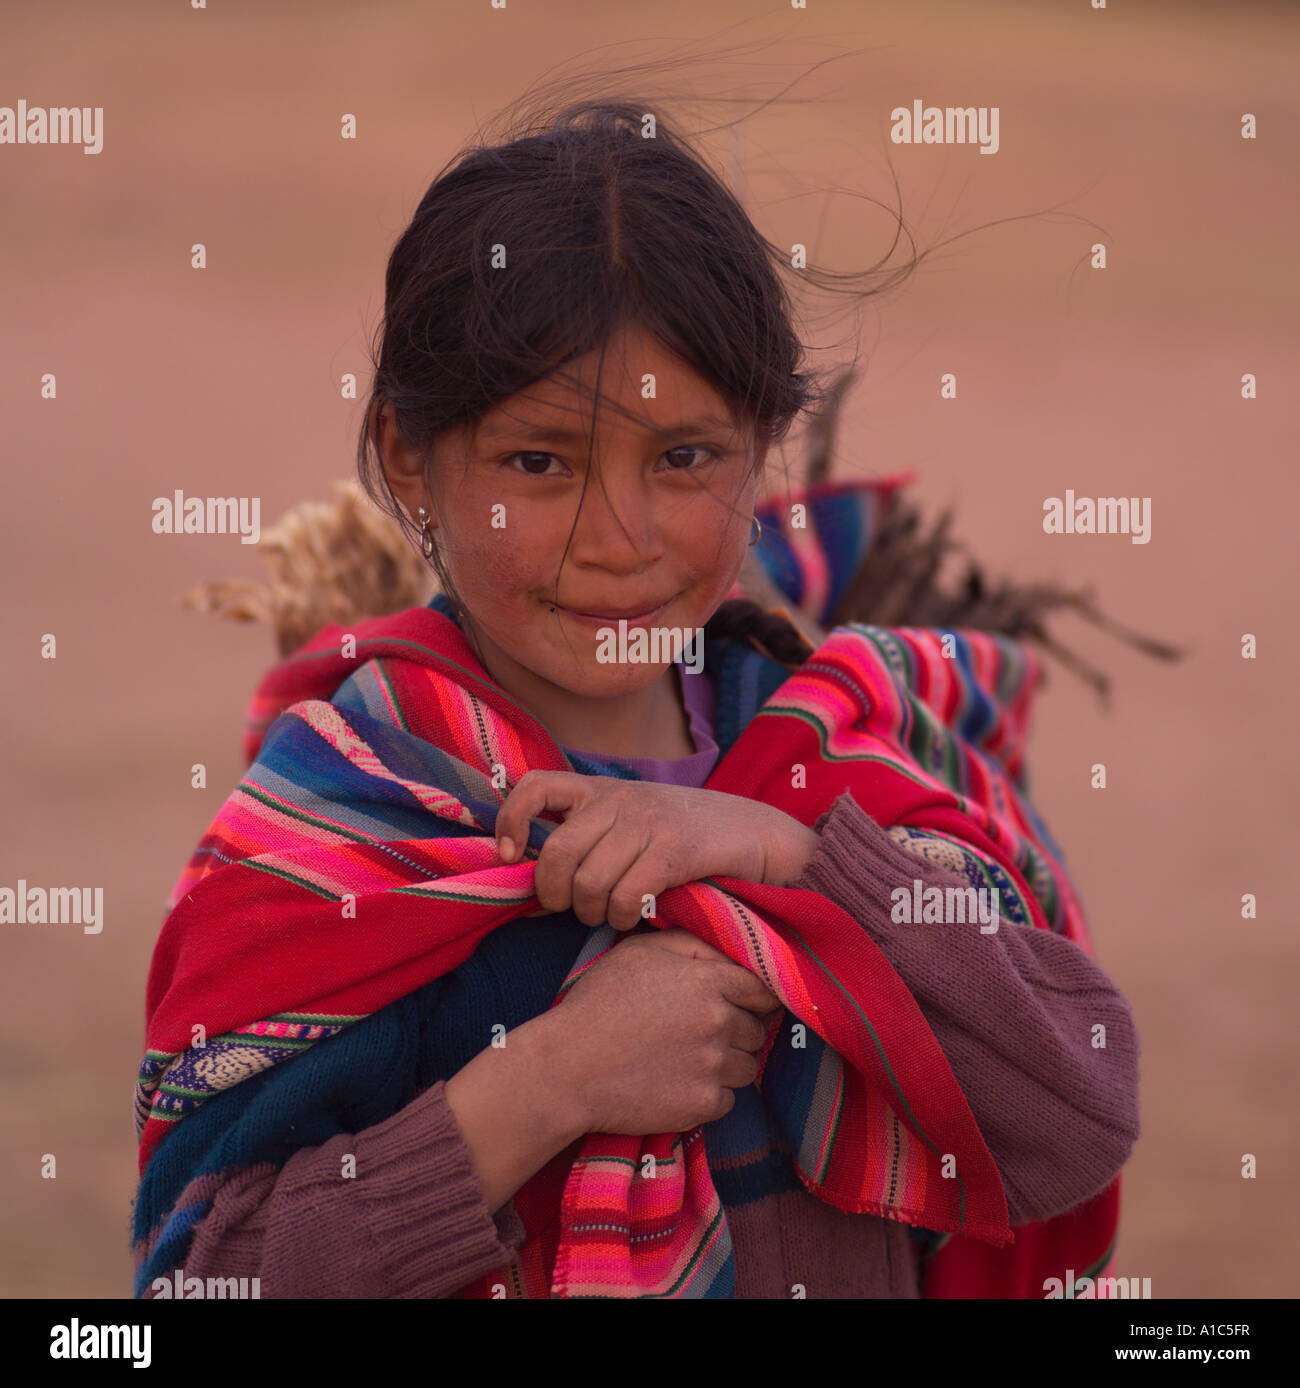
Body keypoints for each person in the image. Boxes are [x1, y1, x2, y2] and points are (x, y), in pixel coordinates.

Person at [131, 99, 1139, 1300]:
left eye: (683, 457)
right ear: (411, 459)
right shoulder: (340, 823)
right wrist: (546, 1081)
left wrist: (793, 858)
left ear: (764, 443)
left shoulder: (841, 750)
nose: (619, 539)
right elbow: (201, 1282)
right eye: (540, 462)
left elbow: (1072, 1105)